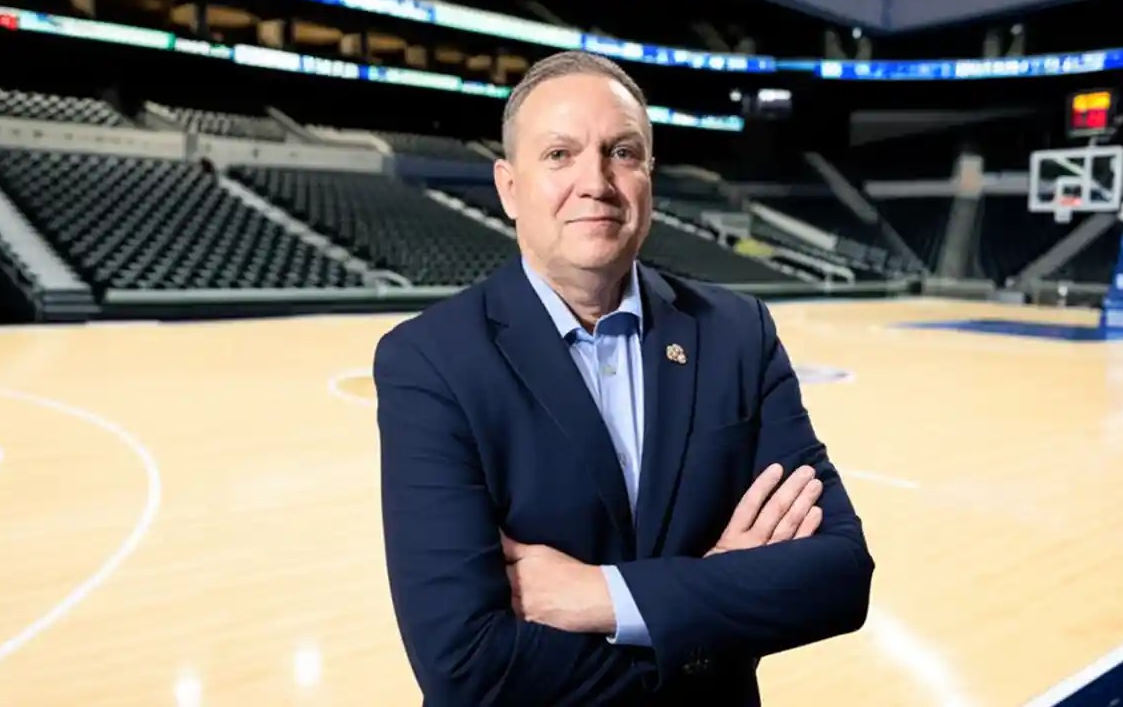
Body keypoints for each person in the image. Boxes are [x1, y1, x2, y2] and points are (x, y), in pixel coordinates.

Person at [373, 50, 874, 706]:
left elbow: (838, 574)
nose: (597, 182)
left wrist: (604, 597)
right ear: (508, 188)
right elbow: (466, 665)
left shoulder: (737, 333)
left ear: (648, 177)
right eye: (559, 155)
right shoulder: (428, 360)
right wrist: (705, 615)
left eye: (623, 152)